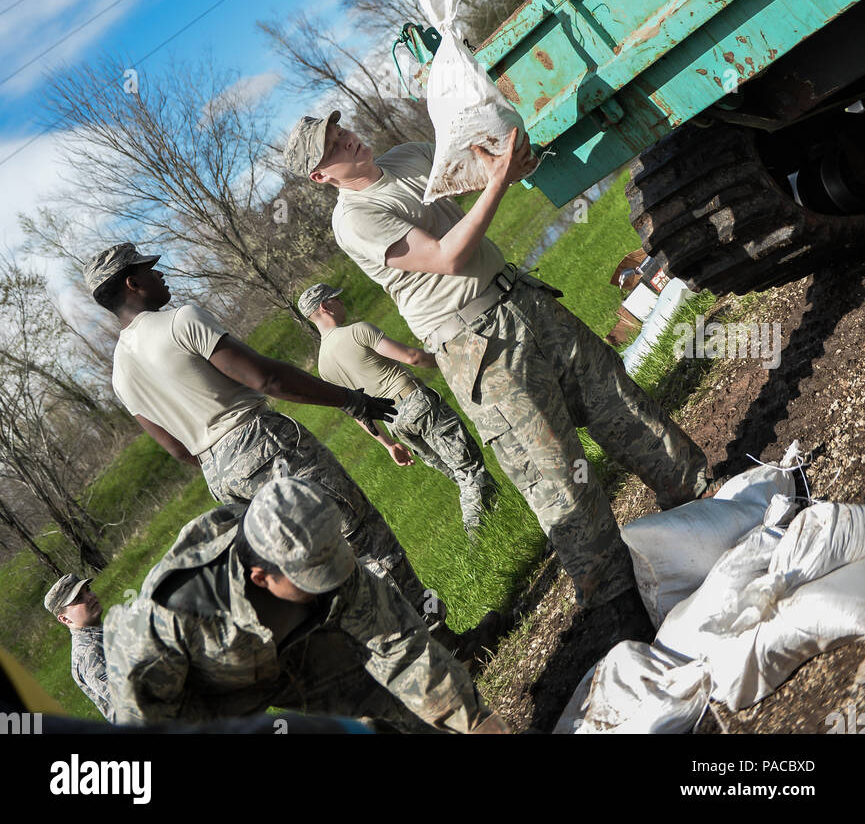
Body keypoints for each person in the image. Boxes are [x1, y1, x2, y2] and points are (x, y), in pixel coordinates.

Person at [285, 110, 709, 645]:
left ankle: (704, 500)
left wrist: (507, 159)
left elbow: (481, 170)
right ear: (320, 176)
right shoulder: (356, 219)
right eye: (332, 145)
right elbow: (447, 254)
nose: (346, 138)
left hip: (523, 300)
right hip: (476, 345)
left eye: (339, 130)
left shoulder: (411, 156)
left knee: (620, 402)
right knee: (558, 475)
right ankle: (622, 616)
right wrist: (498, 184)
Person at [83, 243, 448, 638]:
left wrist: (224, 459)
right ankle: (438, 642)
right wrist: (350, 399)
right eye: (150, 270)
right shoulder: (180, 321)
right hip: (263, 442)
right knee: (360, 537)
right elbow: (266, 378)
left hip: (220, 478)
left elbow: (176, 449)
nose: (161, 274)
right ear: (133, 282)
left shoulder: (120, 373)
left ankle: (392, 663)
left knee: (314, 570)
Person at [103, 474, 508, 734]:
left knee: (397, 709)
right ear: (261, 577)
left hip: (299, 652)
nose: (330, 586)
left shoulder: (310, 543)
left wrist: (479, 724)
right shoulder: (168, 616)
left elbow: (402, 650)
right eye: (313, 581)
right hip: (210, 707)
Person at [299, 282, 496, 535]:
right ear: (325, 307)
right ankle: (477, 537)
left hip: (395, 425)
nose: (342, 303)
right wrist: (452, 360)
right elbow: (412, 357)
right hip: (418, 405)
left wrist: (389, 445)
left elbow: (358, 412)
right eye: (337, 299)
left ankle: (497, 519)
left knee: (460, 476)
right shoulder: (358, 331)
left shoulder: (323, 366)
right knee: (469, 470)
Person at [43, 574, 115, 722]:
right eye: (78, 599)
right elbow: (133, 702)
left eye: (87, 590)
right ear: (65, 619)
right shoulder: (91, 654)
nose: (89, 597)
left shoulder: (102, 632)